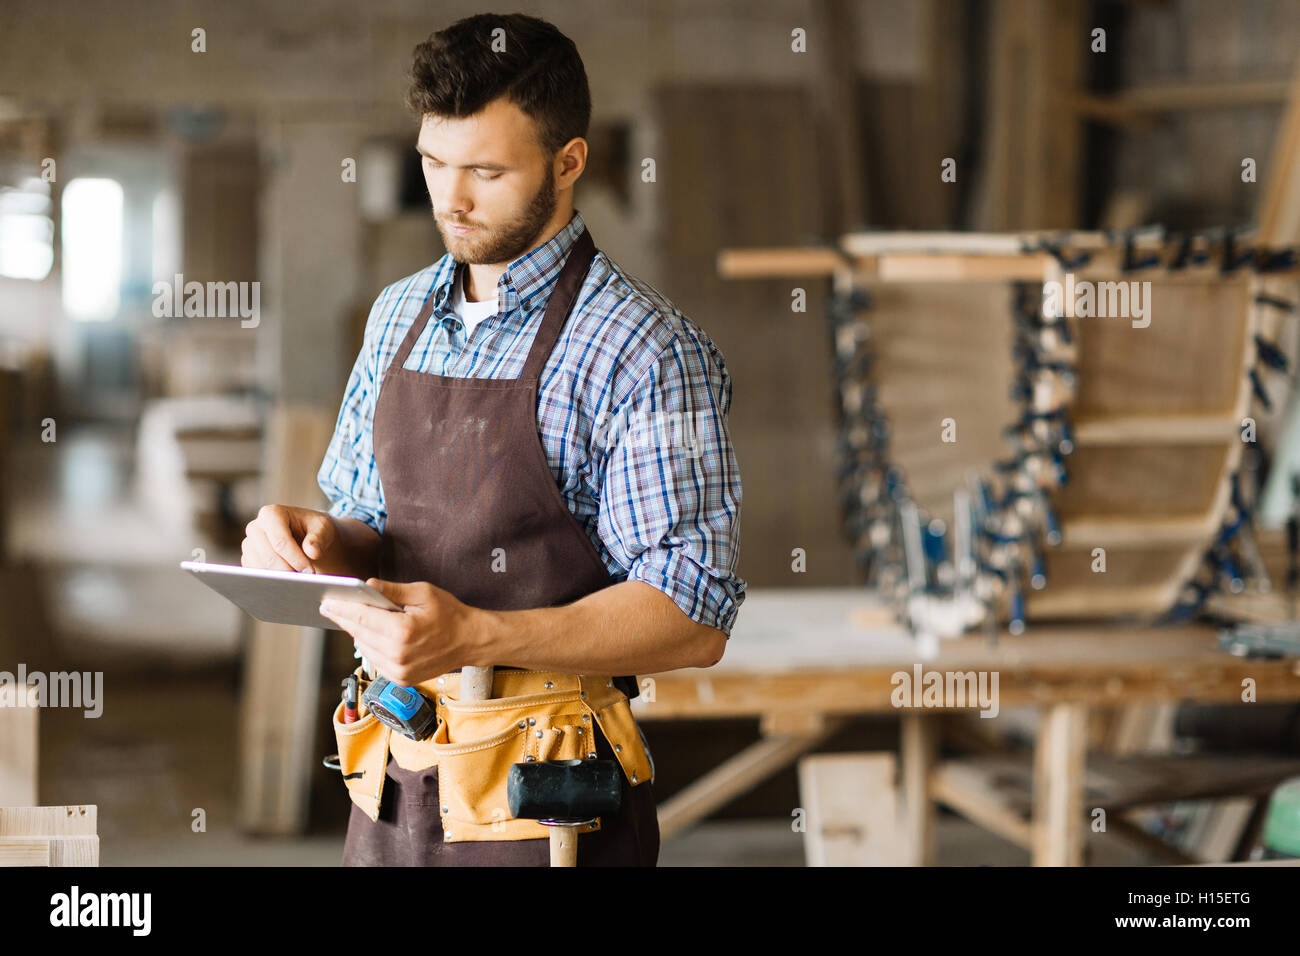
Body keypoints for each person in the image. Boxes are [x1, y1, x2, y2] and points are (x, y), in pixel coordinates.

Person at [239, 11, 744, 866]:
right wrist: (321, 543)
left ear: (569, 162)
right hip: (394, 774)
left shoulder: (643, 350)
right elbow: (373, 522)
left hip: (549, 801)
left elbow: (690, 614)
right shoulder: (398, 314)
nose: (452, 200)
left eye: (486, 171)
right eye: (434, 163)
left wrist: (478, 634)